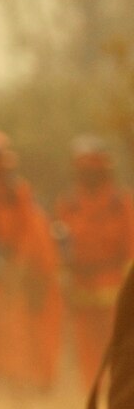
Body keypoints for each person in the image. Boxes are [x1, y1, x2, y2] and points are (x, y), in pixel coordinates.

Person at [0, 129, 62, 390]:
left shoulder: (18, 193)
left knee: (22, 325)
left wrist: (19, 270)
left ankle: (29, 380)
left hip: (24, 271)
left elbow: (27, 238)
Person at [56, 135, 134, 388]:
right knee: (86, 347)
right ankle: (91, 391)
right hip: (81, 288)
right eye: (84, 169)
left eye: (93, 168)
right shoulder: (68, 205)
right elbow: (60, 249)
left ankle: (120, 392)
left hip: (115, 289)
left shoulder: (121, 205)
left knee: (118, 345)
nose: (88, 174)